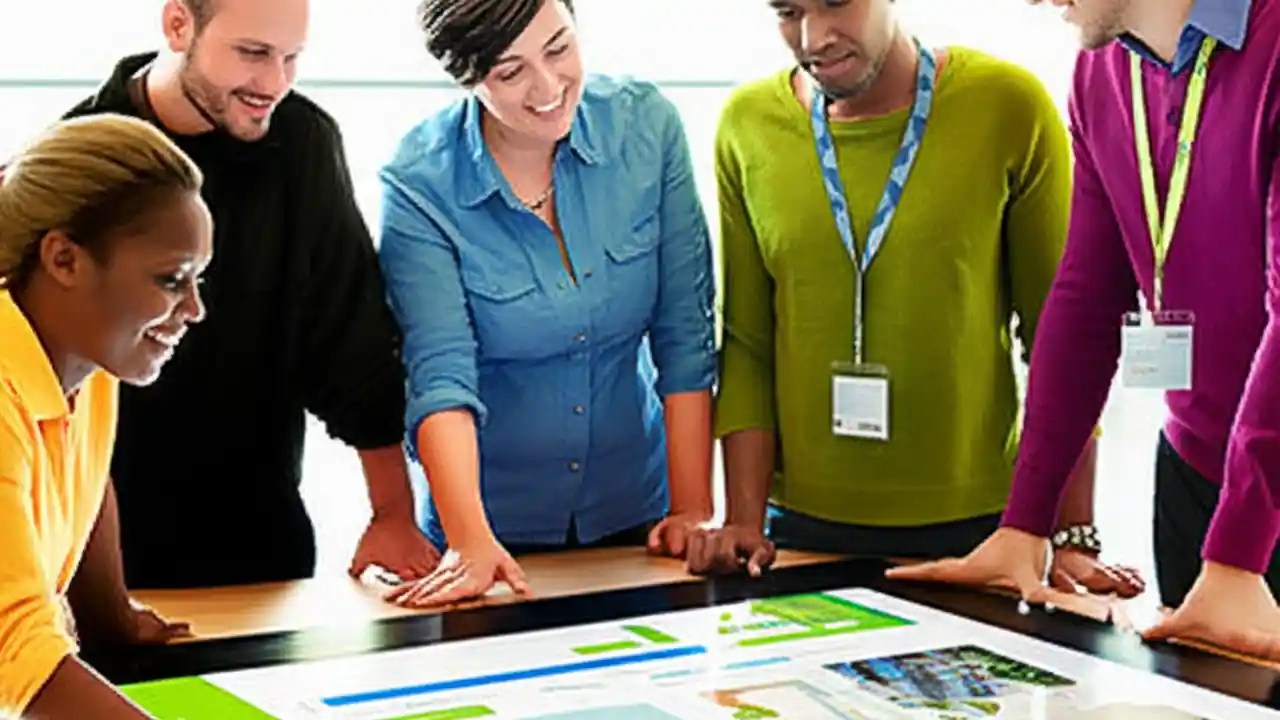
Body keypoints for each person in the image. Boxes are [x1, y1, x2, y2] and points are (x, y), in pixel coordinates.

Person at [683, 0, 1143, 597]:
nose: (813, 36)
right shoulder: (746, 125)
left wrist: (1070, 532)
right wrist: (743, 519)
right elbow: (747, 342)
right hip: (799, 532)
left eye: (835, 4)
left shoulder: (1007, 105)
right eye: (787, 11)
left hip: (987, 530)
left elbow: (1062, 340)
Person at [891, 0, 1280, 660]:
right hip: (1195, 477)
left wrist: (1239, 552)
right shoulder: (1101, 72)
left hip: (1254, 503)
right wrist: (1026, 523)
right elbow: (1086, 298)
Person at [60, 0, 439, 596]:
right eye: (253, 53)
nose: (275, 83)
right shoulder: (77, 159)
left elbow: (350, 338)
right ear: (178, 25)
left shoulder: (304, 142)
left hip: (263, 546)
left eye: (292, 58)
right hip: (98, 561)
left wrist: (391, 511)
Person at [377, 0, 717, 608]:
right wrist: (470, 541)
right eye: (510, 72)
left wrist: (691, 508)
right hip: (489, 531)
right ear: (468, 76)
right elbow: (439, 375)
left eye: (559, 48)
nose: (548, 87)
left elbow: (685, 334)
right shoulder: (420, 183)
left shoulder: (647, 130)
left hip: (637, 516)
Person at [0, 114, 211, 718]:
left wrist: (111, 615)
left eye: (198, 279)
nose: (194, 309)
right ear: (64, 259)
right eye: (171, 280)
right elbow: (17, 654)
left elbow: (81, 484)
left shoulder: (84, 361)